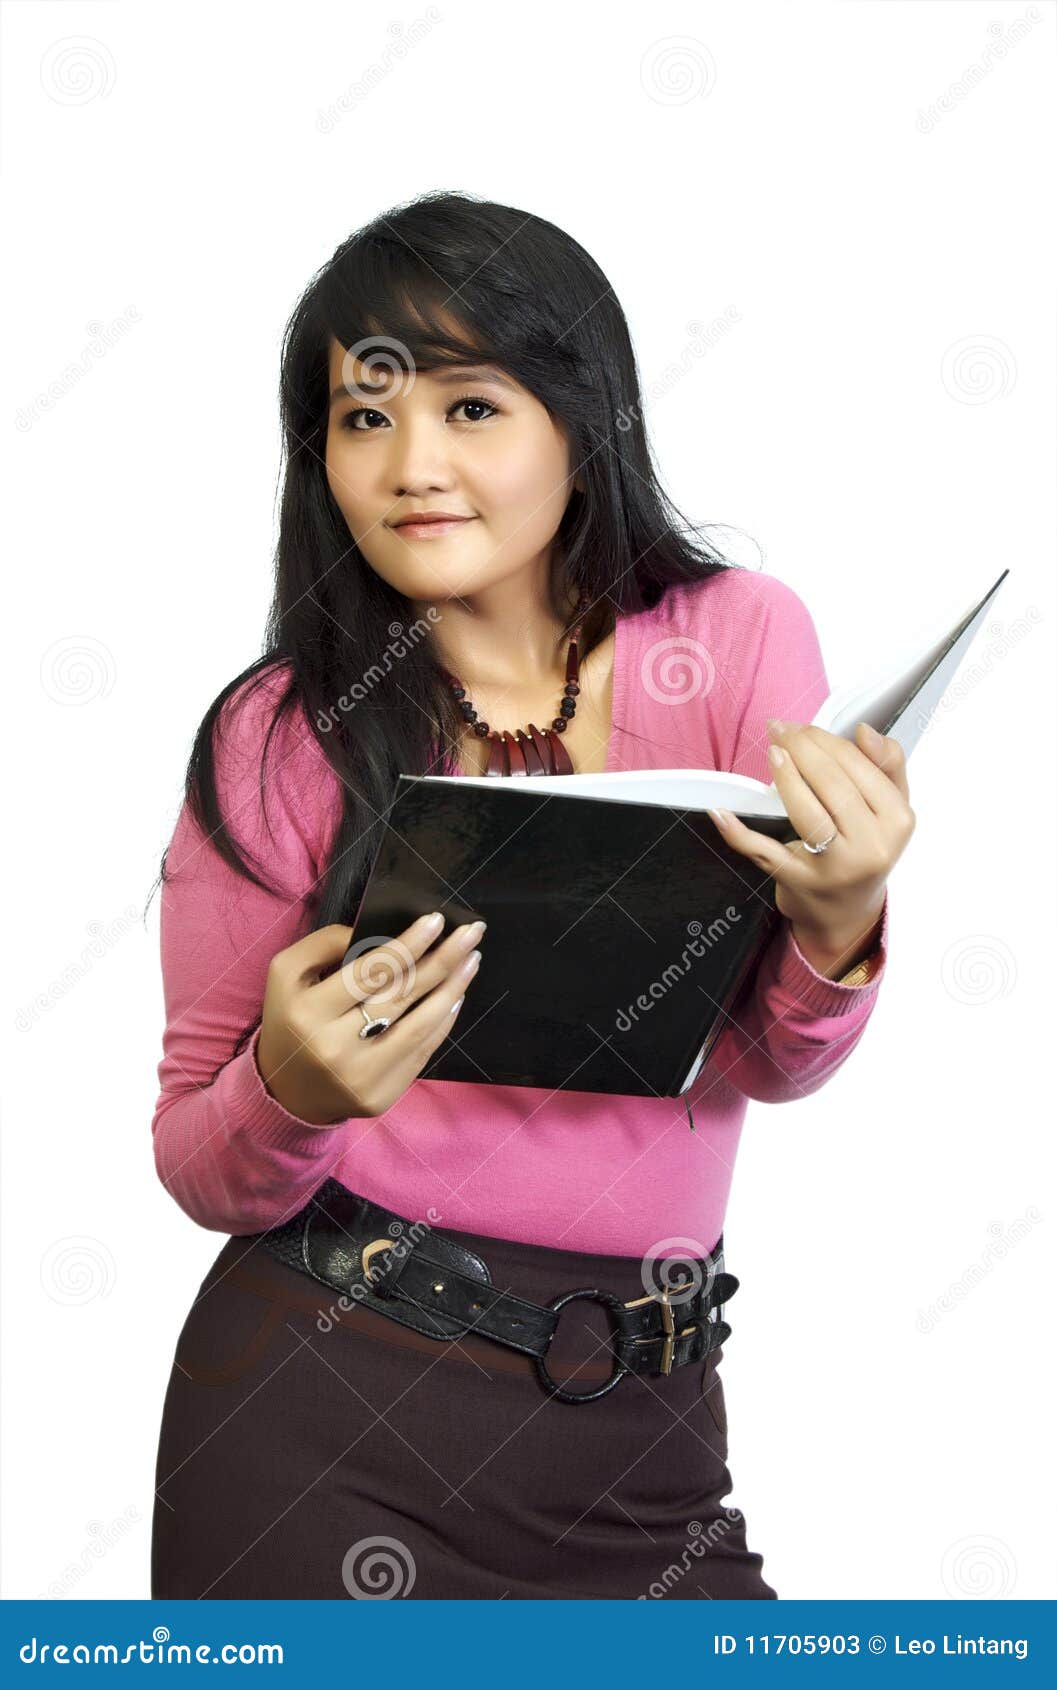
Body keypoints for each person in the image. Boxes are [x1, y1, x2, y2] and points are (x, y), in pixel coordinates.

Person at [148, 190, 914, 1600]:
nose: (411, 464)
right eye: (363, 417)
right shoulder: (280, 730)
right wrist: (289, 1088)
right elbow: (199, 1157)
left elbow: (759, 1058)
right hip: (322, 1415)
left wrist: (835, 921)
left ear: (583, 417)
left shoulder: (737, 636)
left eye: (470, 406)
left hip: (648, 1442)